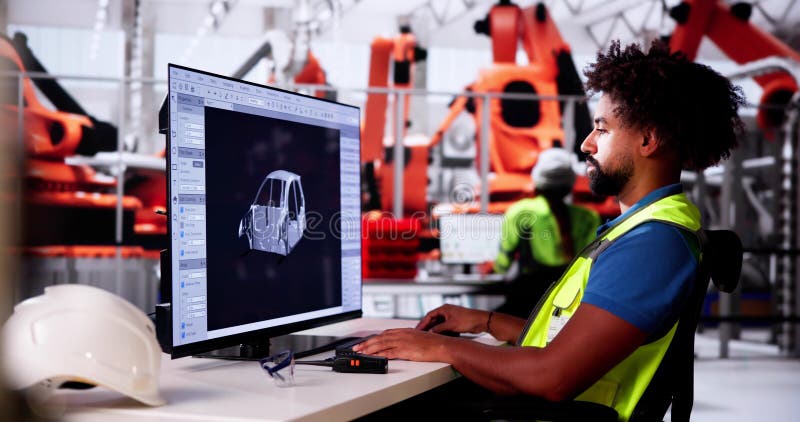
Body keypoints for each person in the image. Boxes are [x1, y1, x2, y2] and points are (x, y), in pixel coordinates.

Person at [353, 39, 744, 421]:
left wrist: (440, 348)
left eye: (602, 129)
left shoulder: (653, 244)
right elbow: (576, 340)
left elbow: (551, 378)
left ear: (647, 139)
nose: (587, 144)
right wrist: (485, 322)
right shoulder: (643, 229)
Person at [491, 146, 600, 318]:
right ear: (569, 183)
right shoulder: (588, 217)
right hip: (572, 299)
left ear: (538, 178)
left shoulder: (521, 212)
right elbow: (591, 261)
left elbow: (506, 255)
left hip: (528, 300)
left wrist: (496, 270)